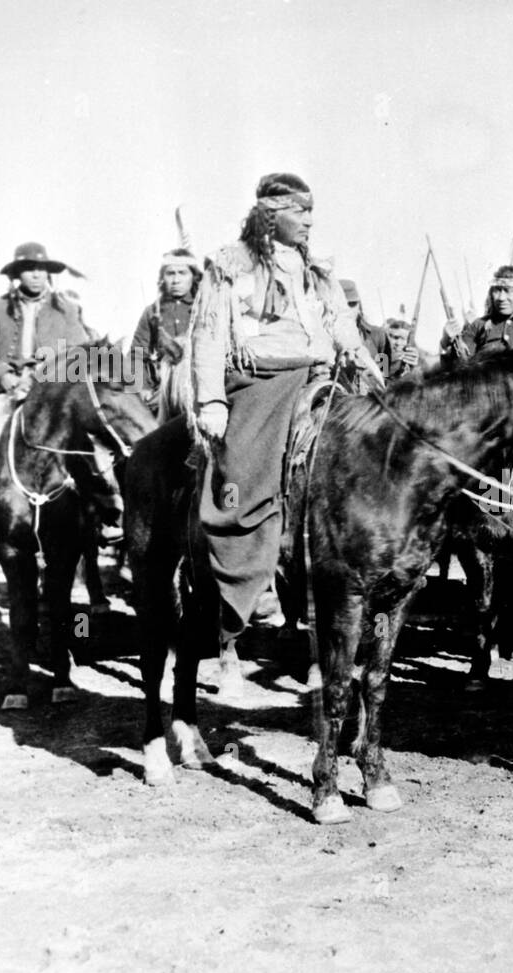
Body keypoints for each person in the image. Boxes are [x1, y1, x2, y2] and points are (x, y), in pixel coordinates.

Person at [189, 171, 383, 651]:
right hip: (259, 381)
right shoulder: (231, 265)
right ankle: (251, 577)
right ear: (271, 216)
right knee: (245, 470)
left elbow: (339, 319)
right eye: (301, 211)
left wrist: (363, 360)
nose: (310, 222)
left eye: (312, 211)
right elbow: (209, 334)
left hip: (320, 375)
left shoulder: (316, 267)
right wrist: (211, 401)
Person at [0, 241, 90, 380]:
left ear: (48, 273)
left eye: (41, 269)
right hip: (5, 390)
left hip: (51, 388)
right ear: (17, 273)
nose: (36, 275)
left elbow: (79, 352)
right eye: (29, 269)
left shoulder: (65, 309)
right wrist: (2, 374)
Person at [439, 264, 513, 368]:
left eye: (508, 291)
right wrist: (446, 342)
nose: (501, 298)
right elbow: (459, 367)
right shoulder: (478, 326)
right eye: (497, 291)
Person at [130, 248, 200, 402]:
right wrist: (143, 387)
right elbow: (137, 354)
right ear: (162, 278)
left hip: (200, 383)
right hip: (164, 390)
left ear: (193, 276)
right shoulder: (152, 312)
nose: (176, 280)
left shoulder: (204, 308)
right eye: (170, 273)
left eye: (182, 273)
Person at [339, 278, 393, 389]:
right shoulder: (323, 339)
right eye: (342, 305)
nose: (347, 310)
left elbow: (386, 373)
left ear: (359, 306)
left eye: (352, 304)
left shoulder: (378, 336)